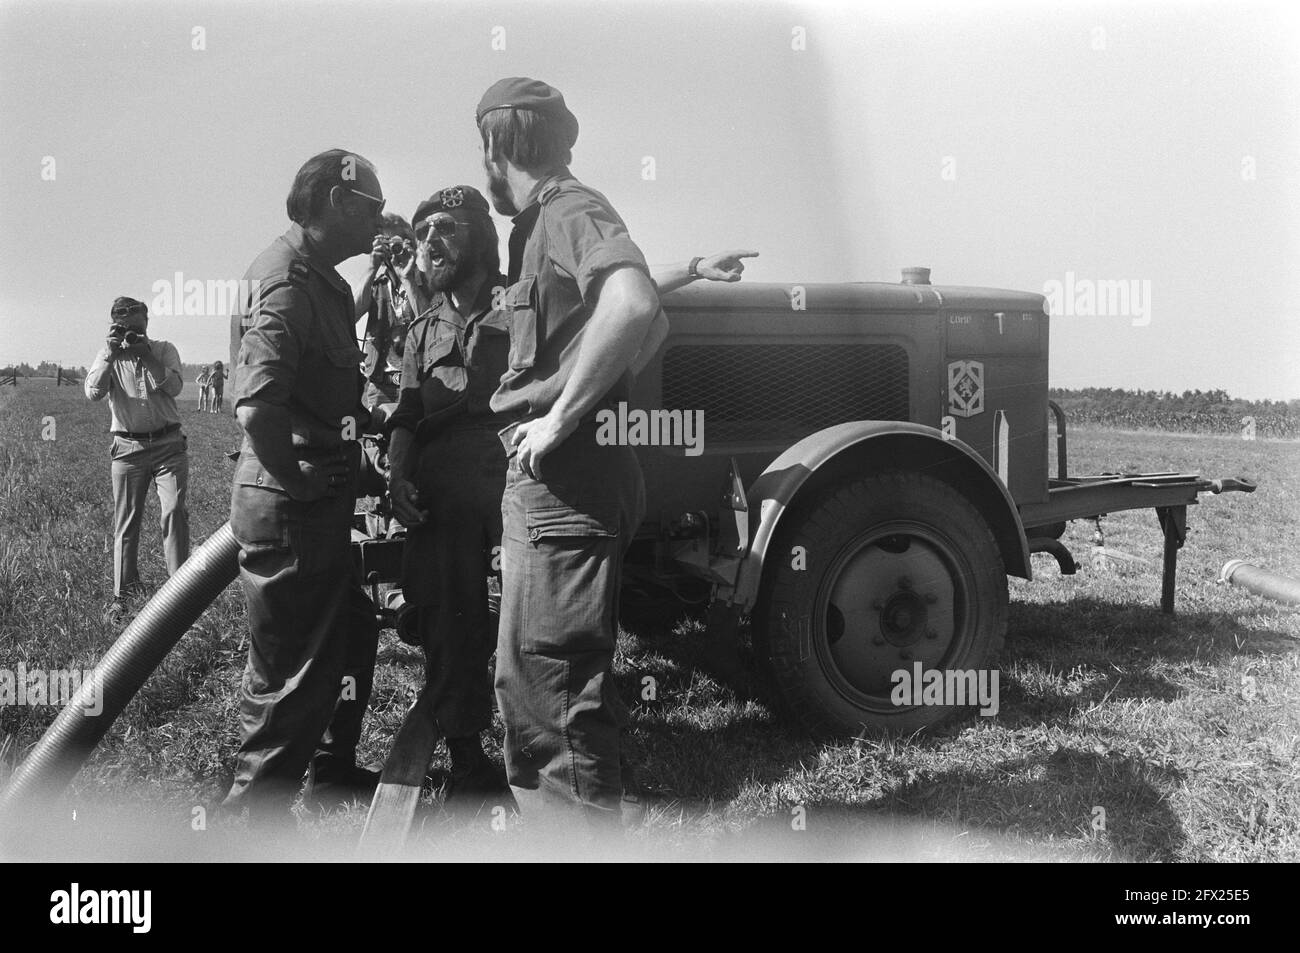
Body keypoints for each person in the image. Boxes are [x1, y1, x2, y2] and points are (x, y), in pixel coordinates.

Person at [476, 77, 756, 834]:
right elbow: (607, 300)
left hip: (565, 483)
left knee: (552, 693)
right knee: (531, 677)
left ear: (501, 147)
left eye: (483, 150)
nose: (481, 168)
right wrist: (692, 266)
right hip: (568, 481)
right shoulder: (546, 222)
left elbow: (628, 303)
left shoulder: (567, 209)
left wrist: (558, 418)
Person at [223, 149, 386, 823]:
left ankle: (332, 771)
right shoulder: (289, 280)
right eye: (371, 210)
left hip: (316, 506)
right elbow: (257, 406)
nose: (378, 224)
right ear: (336, 203)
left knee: (350, 632)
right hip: (294, 511)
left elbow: (325, 392)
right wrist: (301, 484)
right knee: (292, 683)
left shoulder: (325, 281)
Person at [84, 296, 190, 621]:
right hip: (128, 449)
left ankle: (181, 593)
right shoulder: (110, 355)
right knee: (126, 522)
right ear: (114, 327)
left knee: (174, 512)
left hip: (168, 444)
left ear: (147, 323)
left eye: (138, 328)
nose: (132, 335)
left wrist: (146, 355)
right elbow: (93, 392)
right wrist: (109, 353)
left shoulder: (163, 349)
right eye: (125, 329)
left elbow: (172, 387)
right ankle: (123, 595)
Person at [357, 212, 418, 431]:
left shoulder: (425, 280)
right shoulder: (376, 282)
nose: (393, 251)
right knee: (380, 443)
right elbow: (350, 314)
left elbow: (430, 321)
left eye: (397, 244)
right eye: (386, 244)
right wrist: (372, 267)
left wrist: (408, 279)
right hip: (381, 382)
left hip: (416, 380)